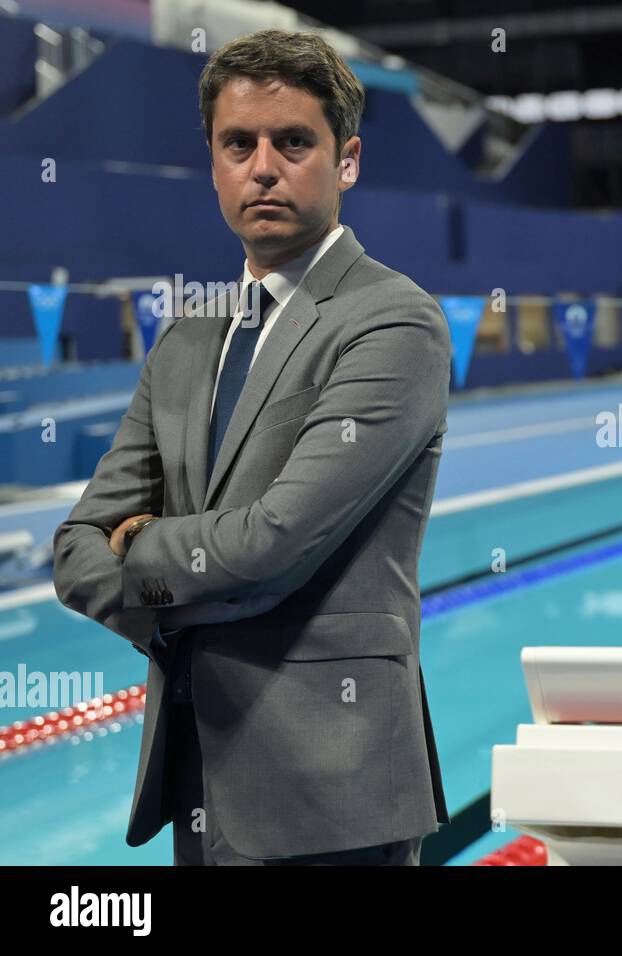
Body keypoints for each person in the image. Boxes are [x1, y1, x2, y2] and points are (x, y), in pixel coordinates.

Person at [51, 29, 451, 865]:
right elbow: (75, 546)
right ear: (214, 162)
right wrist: (148, 572)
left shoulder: (391, 321)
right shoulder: (187, 342)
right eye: (239, 144)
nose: (262, 166)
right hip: (199, 774)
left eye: (293, 142)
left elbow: (274, 541)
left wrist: (142, 551)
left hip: (336, 798)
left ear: (347, 161)